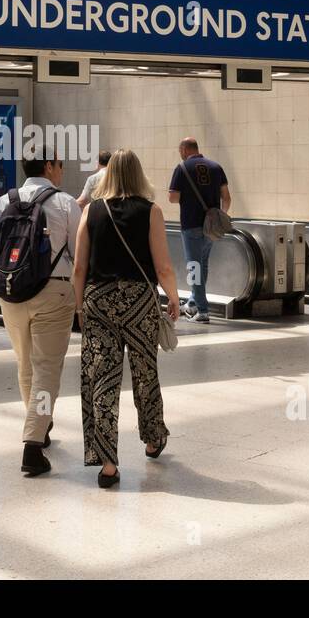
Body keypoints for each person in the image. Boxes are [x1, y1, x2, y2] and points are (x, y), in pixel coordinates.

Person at [73, 149, 179, 489]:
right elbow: (162, 265)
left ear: (107, 176)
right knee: (145, 371)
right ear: (138, 174)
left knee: (101, 379)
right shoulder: (152, 212)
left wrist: (79, 309)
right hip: (138, 303)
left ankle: (108, 464)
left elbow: (79, 267)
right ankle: (152, 439)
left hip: (98, 302)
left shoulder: (91, 211)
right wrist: (174, 297)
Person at [0, 148, 80, 478]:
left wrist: (5, 280)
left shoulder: (3, 201)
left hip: (10, 293)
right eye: (60, 165)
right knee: (47, 368)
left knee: (25, 363)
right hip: (53, 290)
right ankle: (33, 445)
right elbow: (81, 254)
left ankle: (37, 425)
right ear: (49, 167)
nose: (62, 171)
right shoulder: (64, 203)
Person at [167, 137, 230, 323]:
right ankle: (193, 301)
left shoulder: (182, 168)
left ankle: (202, 311)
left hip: (191, 224)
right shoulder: (216, 167)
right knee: (202, 264)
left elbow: (172, 197)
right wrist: (220, 215)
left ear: (184, 150)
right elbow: (226, 197)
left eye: (180, 152)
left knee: (193, 267)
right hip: (211, 227)